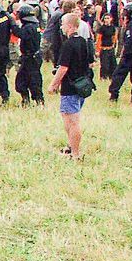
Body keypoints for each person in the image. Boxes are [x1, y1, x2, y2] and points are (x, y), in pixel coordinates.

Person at [49, 10, 93, 160]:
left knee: (72, 121)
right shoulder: (83, 41)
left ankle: (75, 153)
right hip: (82, 85)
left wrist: (53, 85)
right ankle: (70, 147)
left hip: (70, 87)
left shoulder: (68, 44)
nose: (61, 27)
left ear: (69, 26)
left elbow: (63, 68)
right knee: (69, 117)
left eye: (62, 24)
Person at [108, 2, 132, 103]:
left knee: (118, 74)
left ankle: (114, 95)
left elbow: (130, 40)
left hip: (130, 53)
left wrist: (125, 53)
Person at [13, 3, 44, 105]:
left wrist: (12, 24)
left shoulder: (29, 27)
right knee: (22, 80)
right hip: (30, 57)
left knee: (33, 81)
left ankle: (38, 101)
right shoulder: (35, 26)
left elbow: (20, 34)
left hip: (31, 58)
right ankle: (26, 100)